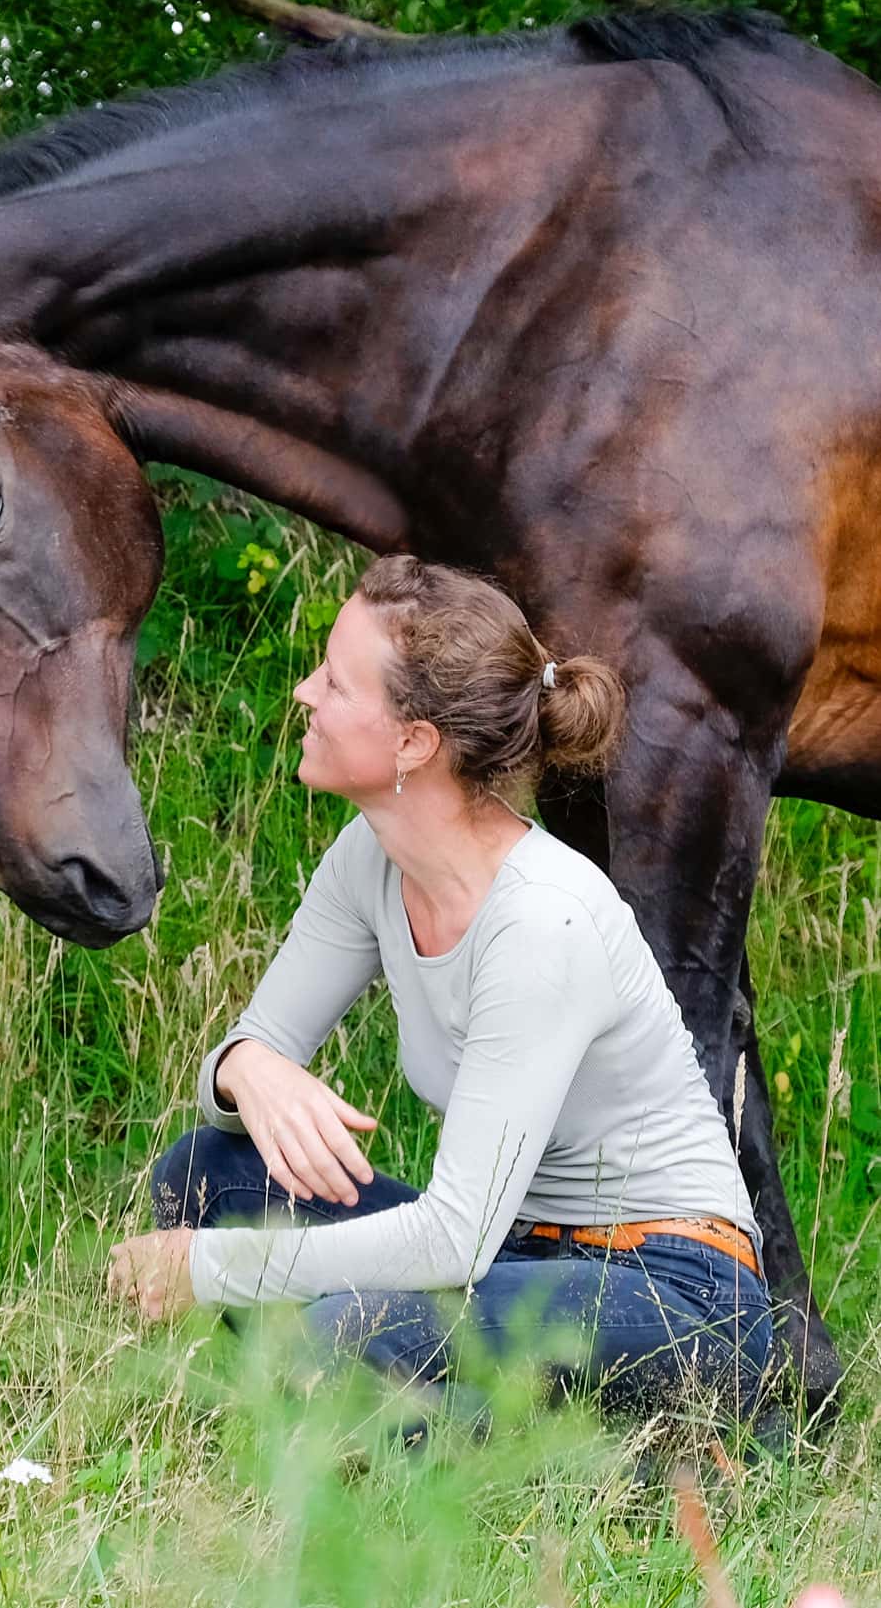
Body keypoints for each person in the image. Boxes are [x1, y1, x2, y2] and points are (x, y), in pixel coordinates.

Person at [103, 555, 771, 1427]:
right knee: (204, 1173)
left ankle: (657, 1448)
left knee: (346, 1327)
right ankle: (457, 1427)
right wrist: (247, 1068)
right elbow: (250, 1060)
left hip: (672, 1292)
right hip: (513, 1265)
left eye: (337, 682)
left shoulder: (543, 921)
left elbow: (452, 1237)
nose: (305, 692)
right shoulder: (369, 858)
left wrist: (206, 1269)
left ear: (415, 741)